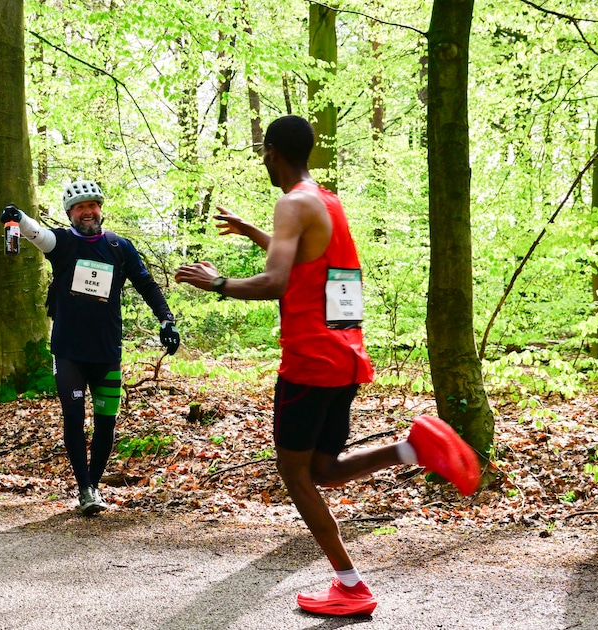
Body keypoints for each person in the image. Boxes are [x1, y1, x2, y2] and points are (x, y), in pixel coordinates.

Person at [175, 116, 480, 617]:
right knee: (324, 469)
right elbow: (306, 263)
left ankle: (350, 583)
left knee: (294, 474)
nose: (263, 162)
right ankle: (412, 447)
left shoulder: (291, 203)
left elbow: (276, 280)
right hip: (345, 356)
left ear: (273, 151)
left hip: (309, 360)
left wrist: (218, 282)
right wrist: (255, 230)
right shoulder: (326, 202)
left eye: (264, 154)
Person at [1, 180, 180, 516]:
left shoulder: (119, 247)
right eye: (81, 207)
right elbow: (38, 234)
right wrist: (19, 218)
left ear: (101, 209)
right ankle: (85, 488)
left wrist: (166, 320)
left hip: (107, 352)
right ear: (70, 214)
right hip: (69, 352)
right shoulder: (64, 243)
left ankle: (93, 485)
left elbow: (147, 284)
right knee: (74, 417)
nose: (88, 212)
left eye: (93, 205)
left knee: (106, 422)